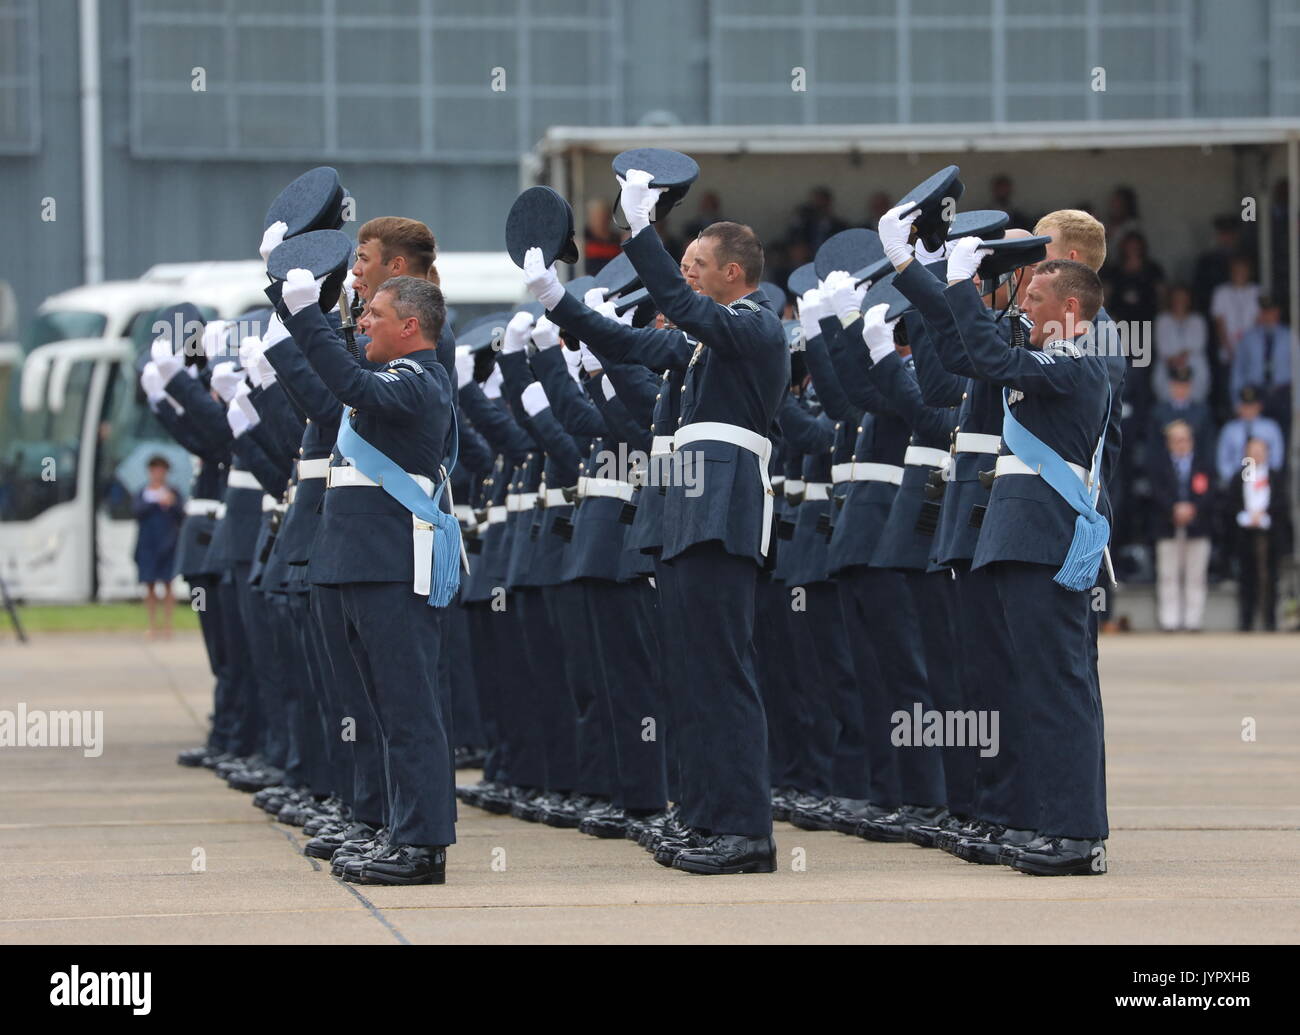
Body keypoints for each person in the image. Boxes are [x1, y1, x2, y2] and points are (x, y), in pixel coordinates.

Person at [281, 271, 458, 886]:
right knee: (383, 709)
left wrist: (307, 312)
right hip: (359, 559)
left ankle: (422, 846)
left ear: (410, 326)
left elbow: (349, 381)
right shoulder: (387, 379)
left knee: (410, 709)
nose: (362, 322)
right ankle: (397, 829)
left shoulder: (419, 379)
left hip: (389, 564)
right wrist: (290, 299)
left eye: (373, 314)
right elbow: (337, 382)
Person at [948, 248, 1113, 876]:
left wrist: (961, 283)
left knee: (1057, 689)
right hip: (1021, 537)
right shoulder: (1048, 361)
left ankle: (1075, 835)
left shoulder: (1075, 364)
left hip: (1042, 538)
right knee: (1040, 687)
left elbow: (992, 358)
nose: (1024, 307)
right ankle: (1054, 822)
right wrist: (958, 292)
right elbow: (974, 358)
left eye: (1035, 300)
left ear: (1069, 309)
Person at [1149, 420, 1214, 632]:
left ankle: (1193, 620)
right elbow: (1156, 491)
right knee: (1168, 574)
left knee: (1196, 574)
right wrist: (1173, 509)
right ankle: (1170, 620)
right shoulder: (1159, 464)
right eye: (1176, 440)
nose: (1181, 444)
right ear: (1169, 443)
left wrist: (1192, 509)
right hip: (1168, 524)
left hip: (1198, 524)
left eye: (1184, 439)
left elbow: (1210, 491)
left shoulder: (1203, 463)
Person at [1228, 437, 1290, 631]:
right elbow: (1233, 503)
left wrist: (1264, 515)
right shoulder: (1242, 476)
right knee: (1247, 578)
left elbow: (1281, 503)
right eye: (1252, 451)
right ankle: (1246, 621)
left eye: (1259, 450)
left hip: (1269, 533)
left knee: (1270, 578)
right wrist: (1246, 516)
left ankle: (1269, 621)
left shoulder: (1275, 476)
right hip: (1245, 533)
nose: (1256, 454)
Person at [132, 455, 184, 638]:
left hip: (168, 543)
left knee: (169, 584)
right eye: (155, 470)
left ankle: (169, 625)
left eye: (161, 470)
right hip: (148, 544)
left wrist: (172, 503)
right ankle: (152, 625)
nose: (158, 474)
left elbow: (182, 515)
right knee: (150, 584)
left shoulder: (173, 492)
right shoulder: (142, 493)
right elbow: (136, 512)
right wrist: (153, 502)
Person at [1231, 297, 1292, 438]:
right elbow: (1238, 369)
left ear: (1278, 313)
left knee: (1283, 435)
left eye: (1272, 311)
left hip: (1282, 393)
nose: (1268, 316)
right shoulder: (1248, 337)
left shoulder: (1289, 337)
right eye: (1265, 312)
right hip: (1256, 392)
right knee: (1256, 435)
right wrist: (1237, 400)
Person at [1153, 284, 1210, 405]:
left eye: (1183, 298)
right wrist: (1174, 359)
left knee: (1199, 363)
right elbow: (1161, 346)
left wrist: (1182, 357)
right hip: (1169, 361)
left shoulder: (1197, 319)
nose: (1180, 301)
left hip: (1192, 362)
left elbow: (1198, 344)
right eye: (1176, 297)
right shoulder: (1162, 319)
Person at [1216, 385, 1285, 485]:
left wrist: (1266, 477)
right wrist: (1236, 481)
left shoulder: (1271, 428)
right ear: (1238, 407)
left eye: (1252, 406)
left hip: (1265, 482)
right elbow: (1223, 461)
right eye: (1245, 406)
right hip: (1236, 484)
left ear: (1259, 406)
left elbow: (1276, 460)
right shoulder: (1229, 430)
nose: (1249, 410)